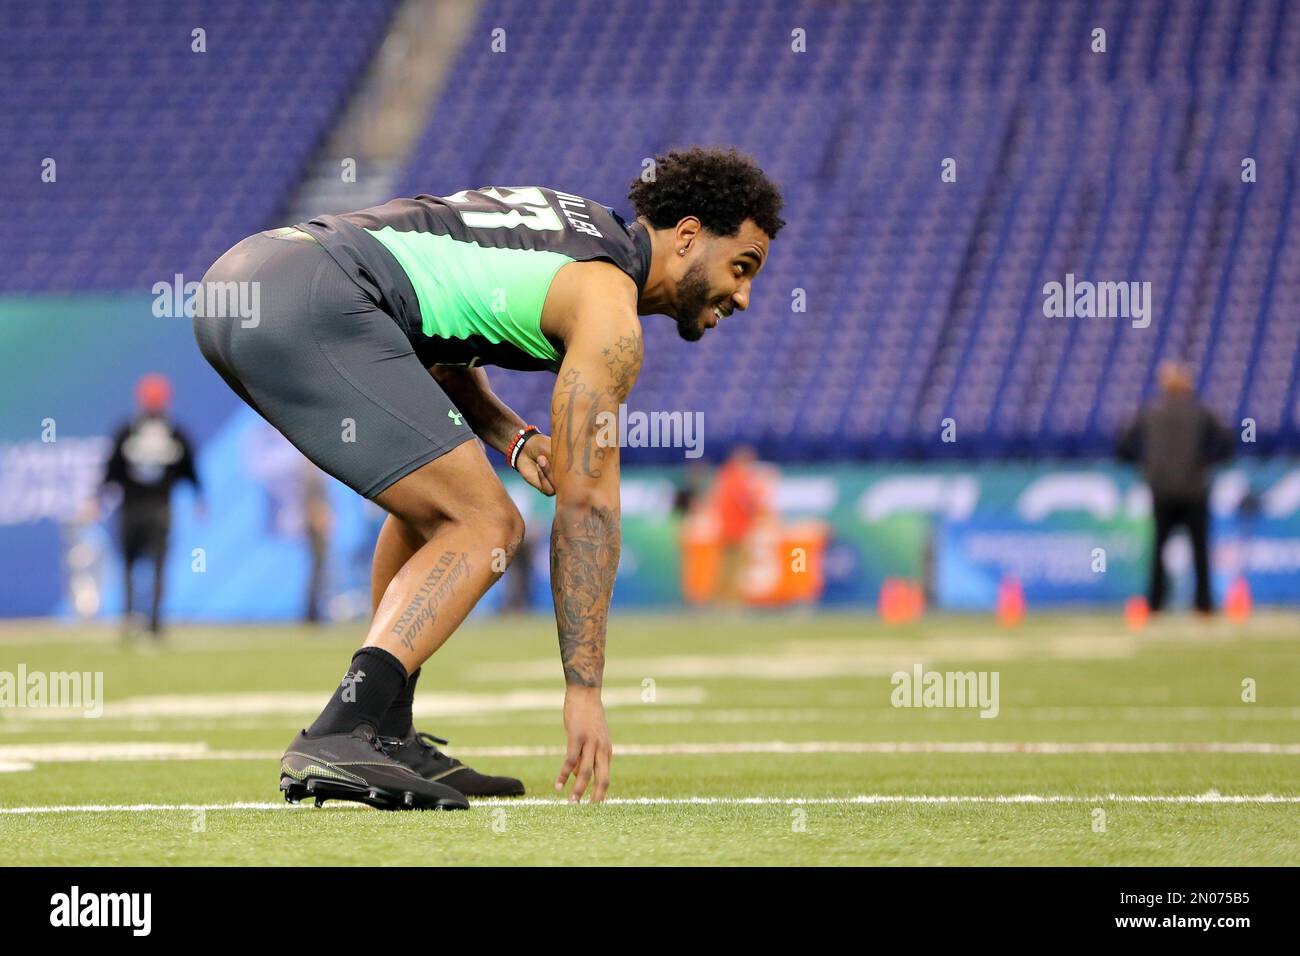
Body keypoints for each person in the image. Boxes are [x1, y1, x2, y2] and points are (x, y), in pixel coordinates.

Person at [192, 146, 784, 808]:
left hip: (257, 281)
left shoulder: (579, 229)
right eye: (743, 266)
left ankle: (384, 726)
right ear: (687, 236)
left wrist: (510, 435)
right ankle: (341, 729)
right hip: (308, 297)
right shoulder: (609, 311)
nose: (745, 295)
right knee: (487, 523)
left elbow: (432, 325)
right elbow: (587, 509)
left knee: (433, 507)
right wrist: (584, 690)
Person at [1117, 360, 1234, 614]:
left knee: (1159, 550)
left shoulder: (1150, 413)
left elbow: (1122, 447)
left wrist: (1146, 466)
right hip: (1194, 491)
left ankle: (1155, 604)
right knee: (1199, 550)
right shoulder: (1200, 413)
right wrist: (1206, 464)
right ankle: (1203, 605)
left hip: (1162, 492)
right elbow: (1227, 445)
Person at [97, 373, 203, 639]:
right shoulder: (174, 433)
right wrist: (200, 499)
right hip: (159, 510)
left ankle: (129, 620)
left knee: (129, 568)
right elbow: (189, 469)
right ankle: (154, 624)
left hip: (131, 509)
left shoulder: (127, 431)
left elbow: (111, 470)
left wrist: (97, 498)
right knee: (157, 568)